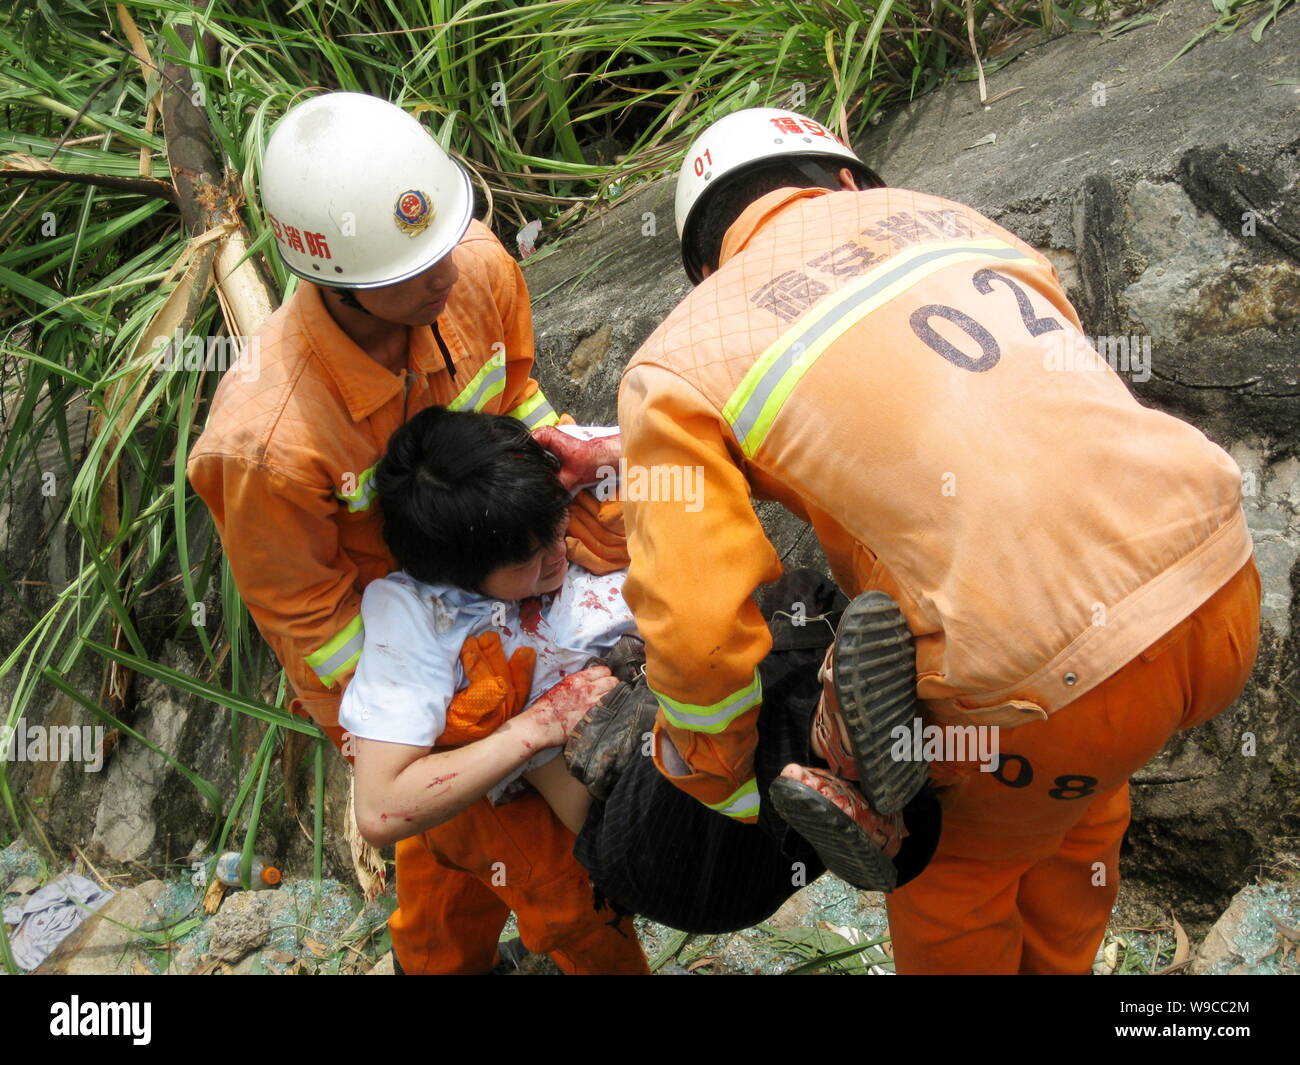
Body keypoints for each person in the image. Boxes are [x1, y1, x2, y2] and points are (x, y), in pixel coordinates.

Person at [596, 106, 1260, 973]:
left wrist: (720, 779)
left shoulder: (684, 351)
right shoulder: (954, 221)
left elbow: (698, 627)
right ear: (846, 181)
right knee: (1081, 804)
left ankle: (842, 742)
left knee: (958, 871)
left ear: (706, 267)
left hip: (1031, 689)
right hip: (1215, 583)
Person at [187, 91, 645, 974]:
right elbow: (316, 631)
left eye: (445, 245)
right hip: (406, 662)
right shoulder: (266, 442)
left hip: (503, 599)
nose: (445, 276)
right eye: (413, 268)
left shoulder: (470, 268)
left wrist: (575, 519)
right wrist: (464, 713)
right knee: (561, 873)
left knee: (450, 848)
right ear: (333, 277)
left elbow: (520, 406)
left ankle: (433, 963)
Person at [340, 408, 632, 844]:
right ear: (457, 572)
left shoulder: (551, 469)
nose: (557, 553)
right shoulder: (420, 613)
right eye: (526, 560)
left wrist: (611, 453)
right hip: (622, 794)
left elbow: (713, 439)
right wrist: (537, 726)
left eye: (556, 525)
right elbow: (381, 809)